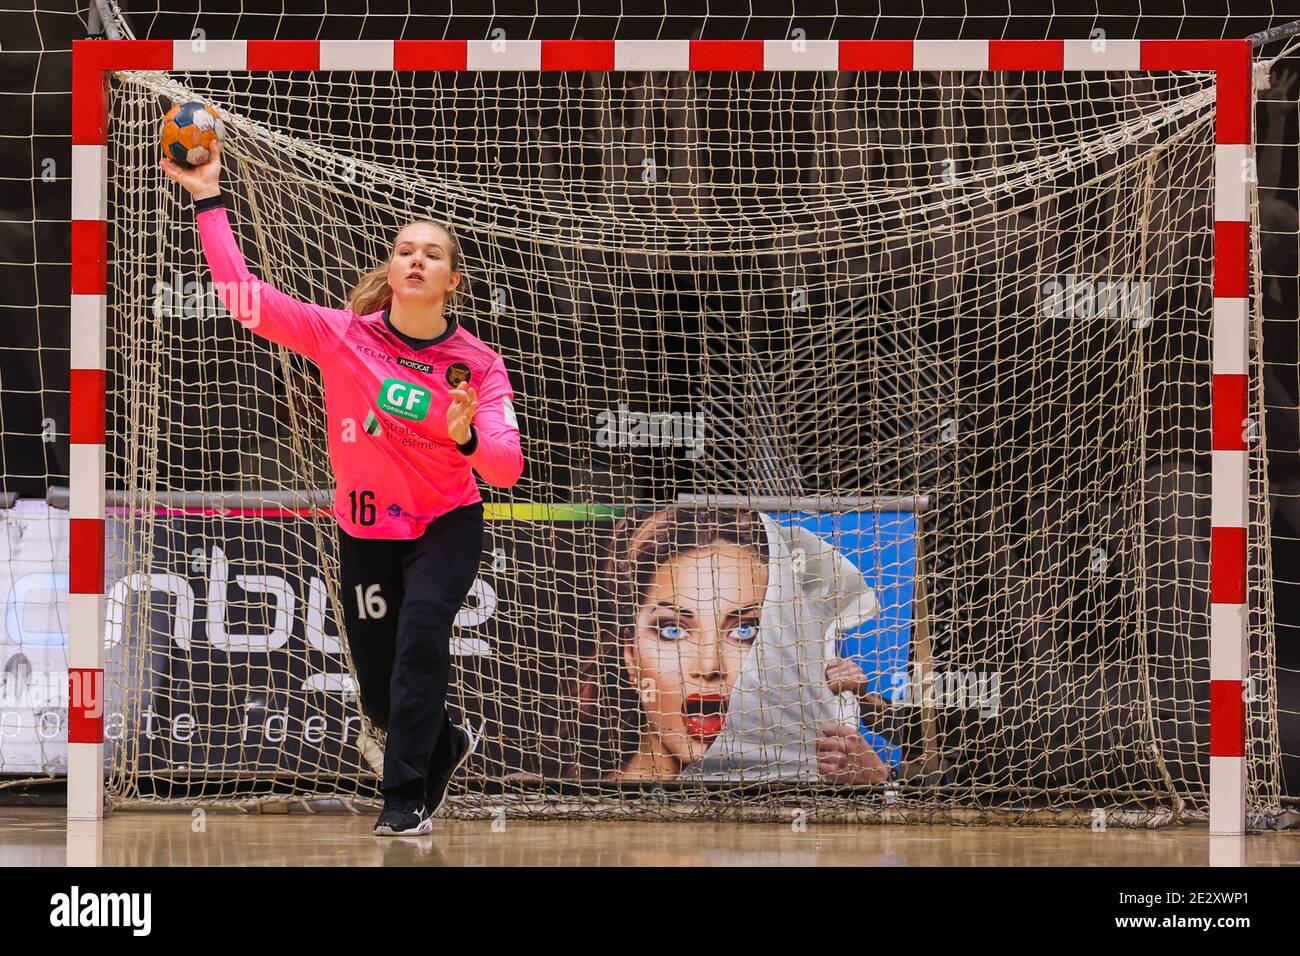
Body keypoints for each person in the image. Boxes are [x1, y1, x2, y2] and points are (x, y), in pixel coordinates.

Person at [161, 140, 523, 836]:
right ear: (391, 270)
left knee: (422, 638)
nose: (416, 259)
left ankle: (404, 800)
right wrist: (208, 197)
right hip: (366, 533)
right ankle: (442, 744)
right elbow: (245, 301)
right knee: (386, 702)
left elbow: (506, 467)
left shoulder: (477, 365)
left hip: (446, 524)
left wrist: (466, 437)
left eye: (433, 254)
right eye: (405, 249)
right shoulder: (342, 335)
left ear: (452, 281)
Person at [560, 506, 889, 785]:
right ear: (632, 659)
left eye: (744, 630)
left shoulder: (800, 801)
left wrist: (874, 783)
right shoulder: (573, 813)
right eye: (673, 631)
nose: (709, 666)